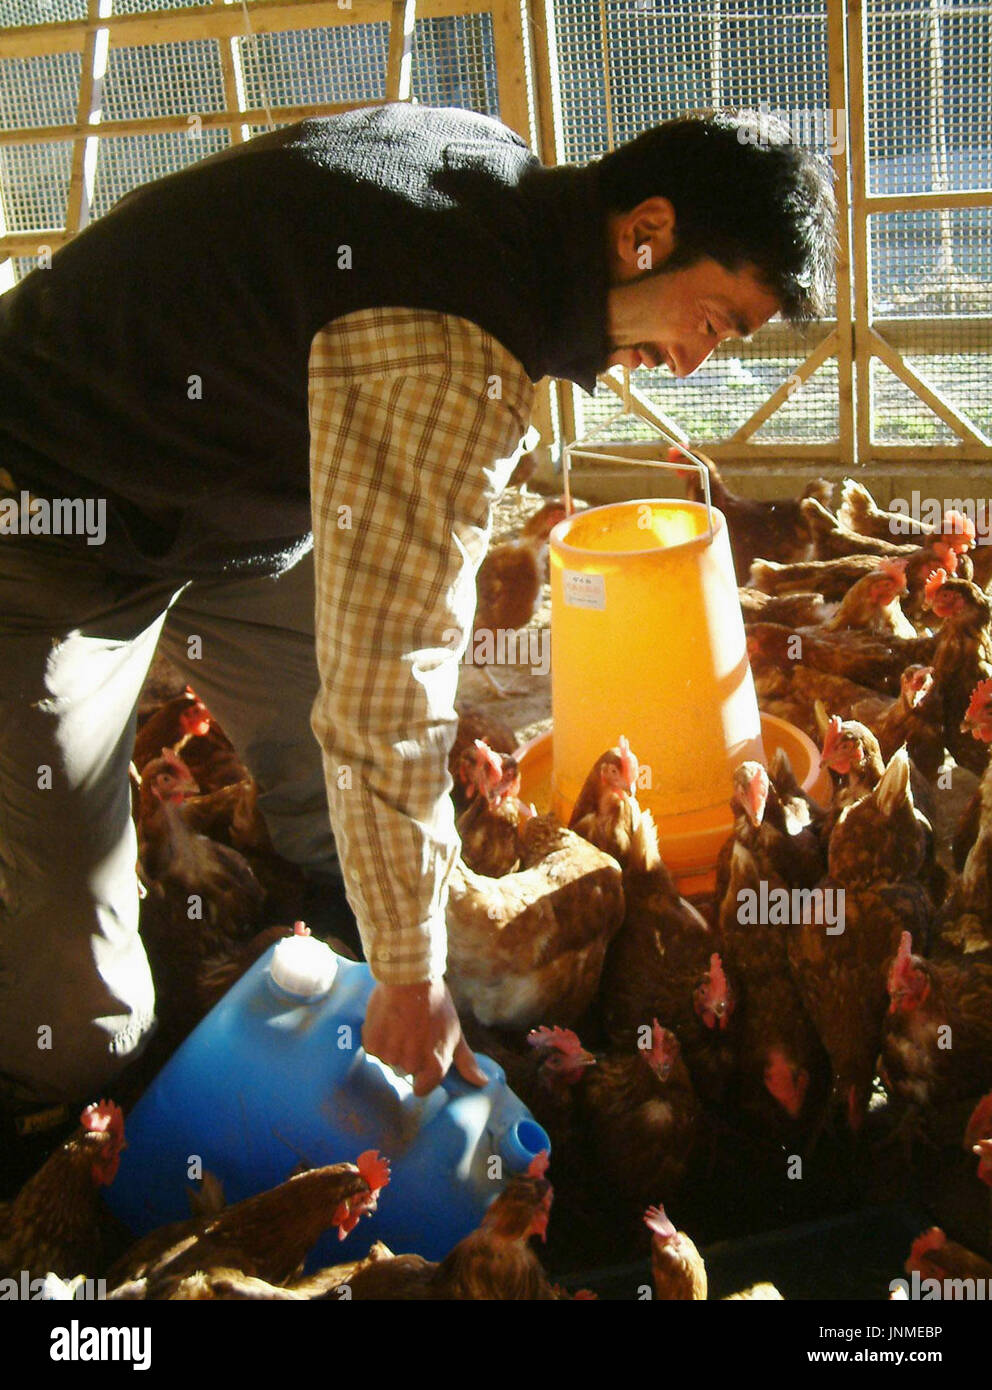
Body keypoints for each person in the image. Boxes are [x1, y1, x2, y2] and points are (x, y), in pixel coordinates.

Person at [0, 102, 835, 1159]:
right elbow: (388, 670)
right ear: (646, 231)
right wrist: (409, 971)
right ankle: (40, 1131)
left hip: (228, 509)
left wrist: (404, 942)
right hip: (49, 506)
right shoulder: (449, 346)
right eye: (711, 322)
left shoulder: (498, 173)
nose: (688, 364)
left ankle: (338, 978)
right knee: (86, 1016)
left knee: (339, 830)